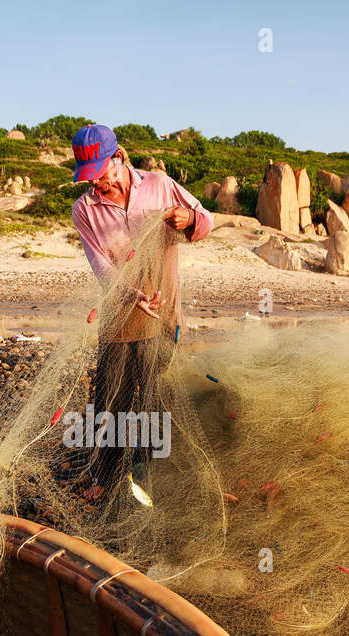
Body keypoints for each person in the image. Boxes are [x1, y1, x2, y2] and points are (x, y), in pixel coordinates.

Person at [70, 124, 213, 500]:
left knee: (154, 394)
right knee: (111, 395)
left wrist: (189, 219)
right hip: (121, 310)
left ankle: (152, 475)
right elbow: (102, 267)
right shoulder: (85, 209)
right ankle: (105, 476)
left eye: (99, 174)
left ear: (117, 158)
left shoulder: (159, 185)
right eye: (88, 177)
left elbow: (206, 220)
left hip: (164, 311)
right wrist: (133, 296)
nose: (96, 184)